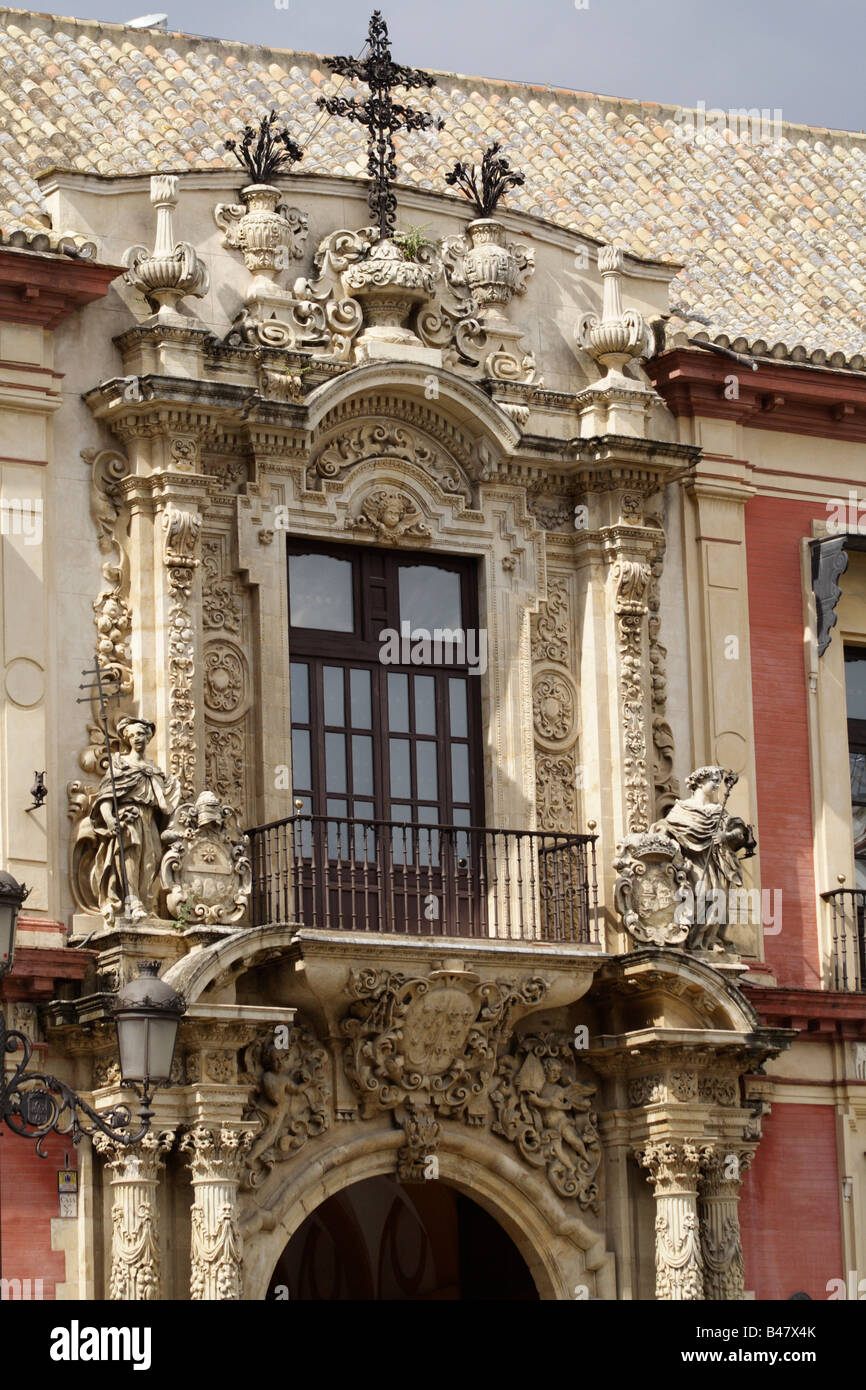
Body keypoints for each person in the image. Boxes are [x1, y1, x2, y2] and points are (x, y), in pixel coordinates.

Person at [73, 717, 181, 922]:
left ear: (148, 738)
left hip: (150, 821)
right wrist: (110, 819)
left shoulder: (153, 770)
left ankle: (146, 902)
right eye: (133, 735)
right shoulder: (121, 765)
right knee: (131, 856)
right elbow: (106, 797)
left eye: (141, 734)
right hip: (129, 819)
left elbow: (164, 802)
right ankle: (132, 900)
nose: (137, 738)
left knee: (152, 861)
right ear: (128, 739)